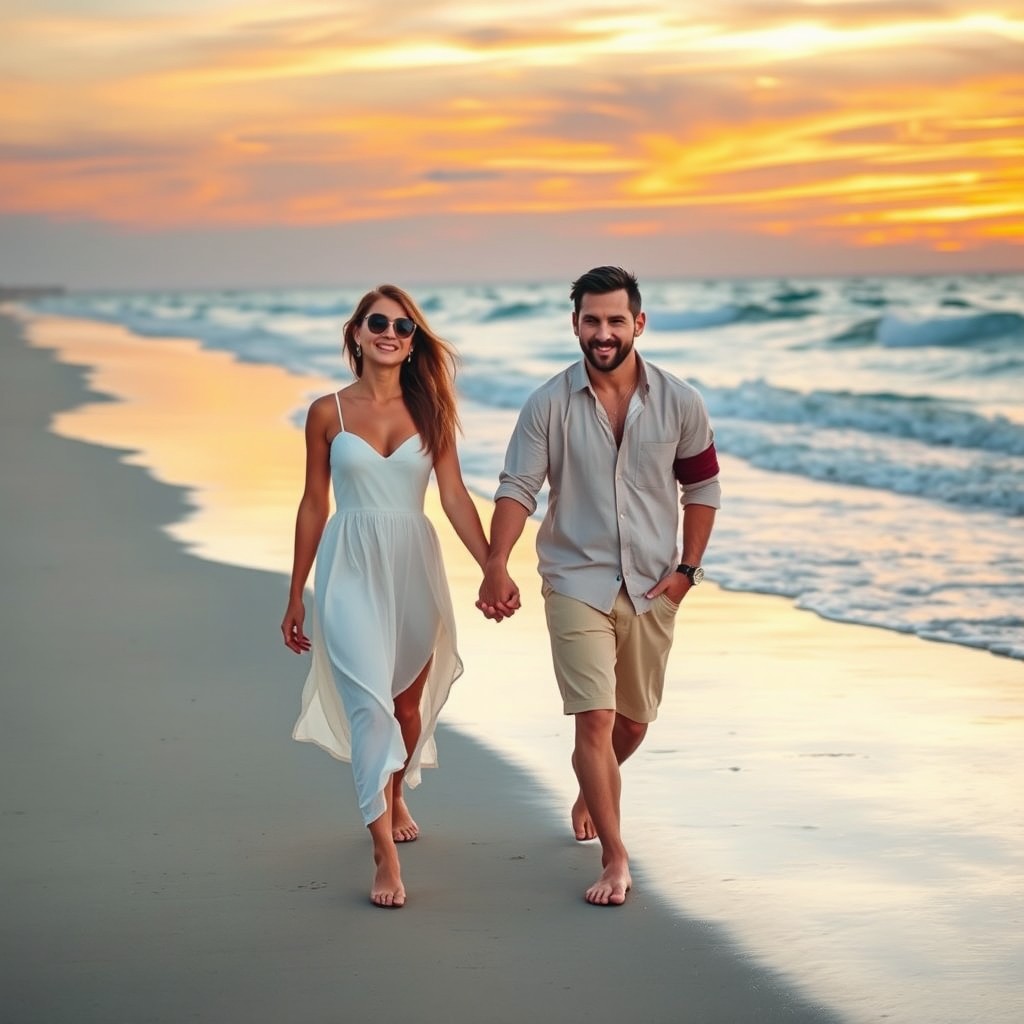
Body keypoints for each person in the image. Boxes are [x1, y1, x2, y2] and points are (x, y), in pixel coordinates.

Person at [477, 266, 720, 906]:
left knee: (633, 725)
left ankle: (593, 784)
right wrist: (496, 562)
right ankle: (616, 857)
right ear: (575, 323)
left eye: (616, 320)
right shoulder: (547, 404)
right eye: (592, 320)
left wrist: (686, 572)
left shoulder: (681, 402)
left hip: (652, 584)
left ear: (639, 323)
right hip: (574, 577)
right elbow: (518, 489)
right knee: (596, 717)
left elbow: (702, 489)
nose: (603, 332)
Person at [282, 284, 489, 909]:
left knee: (404, 707)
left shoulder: (432, 412)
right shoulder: (327, 412)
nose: (390, 332)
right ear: (357, 331)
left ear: (413, 340)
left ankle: (396, 792)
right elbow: (315, 502)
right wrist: (296, 592)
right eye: (379, 321)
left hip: (411, 566)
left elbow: (453, 496)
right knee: (370, 706)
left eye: (403, 326)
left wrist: (493, 566)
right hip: (348, 565)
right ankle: (383, 851)